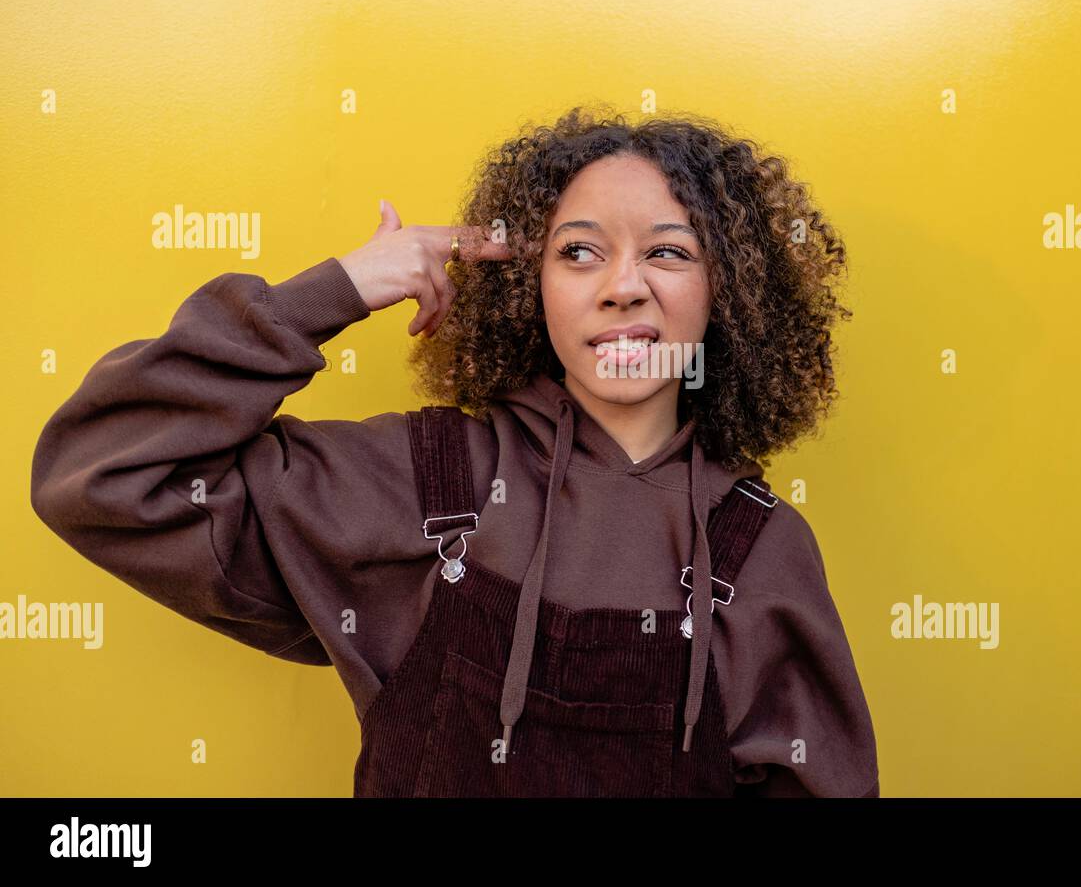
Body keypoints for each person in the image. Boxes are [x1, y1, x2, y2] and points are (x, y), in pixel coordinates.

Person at [31, 105, 880, 797]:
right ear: (528, 286)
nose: (624, 285)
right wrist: (339, 288)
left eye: (668, 251)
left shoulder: (760, 548)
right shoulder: (426, 483)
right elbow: (104, 471)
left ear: (726, 292)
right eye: (578, 251)